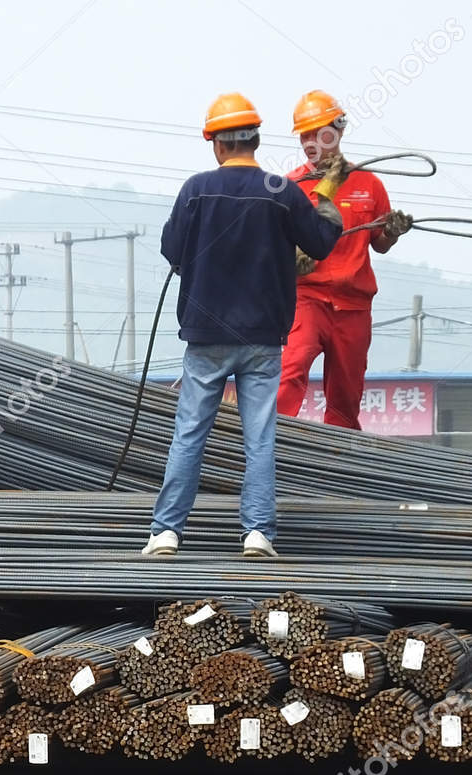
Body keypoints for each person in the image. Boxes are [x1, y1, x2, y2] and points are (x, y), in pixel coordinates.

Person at [144, 93, 344, 559]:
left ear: (216, 145)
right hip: (262, 337)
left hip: (205, 336)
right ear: (255, 139)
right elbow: (318, 242)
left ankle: (166, 533)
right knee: (259, 437)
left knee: (189, 432)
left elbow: (173, 251)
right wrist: (328, 199)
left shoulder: (195, 191)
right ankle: (257, 533)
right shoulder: (280, 191)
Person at [275, 89, 413, 429]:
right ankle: (269, 440)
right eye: (304, 135)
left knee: (346, 395)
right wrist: (291, 259)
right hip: (307, 299)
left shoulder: (370, 185)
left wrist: (392, 233)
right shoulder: (290, 187)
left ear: (338, 130)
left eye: (318, 133)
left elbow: (378, 244)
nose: (310, 143)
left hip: (353, 307)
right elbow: (273, 247)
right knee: (291, 371)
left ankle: (338, 463)